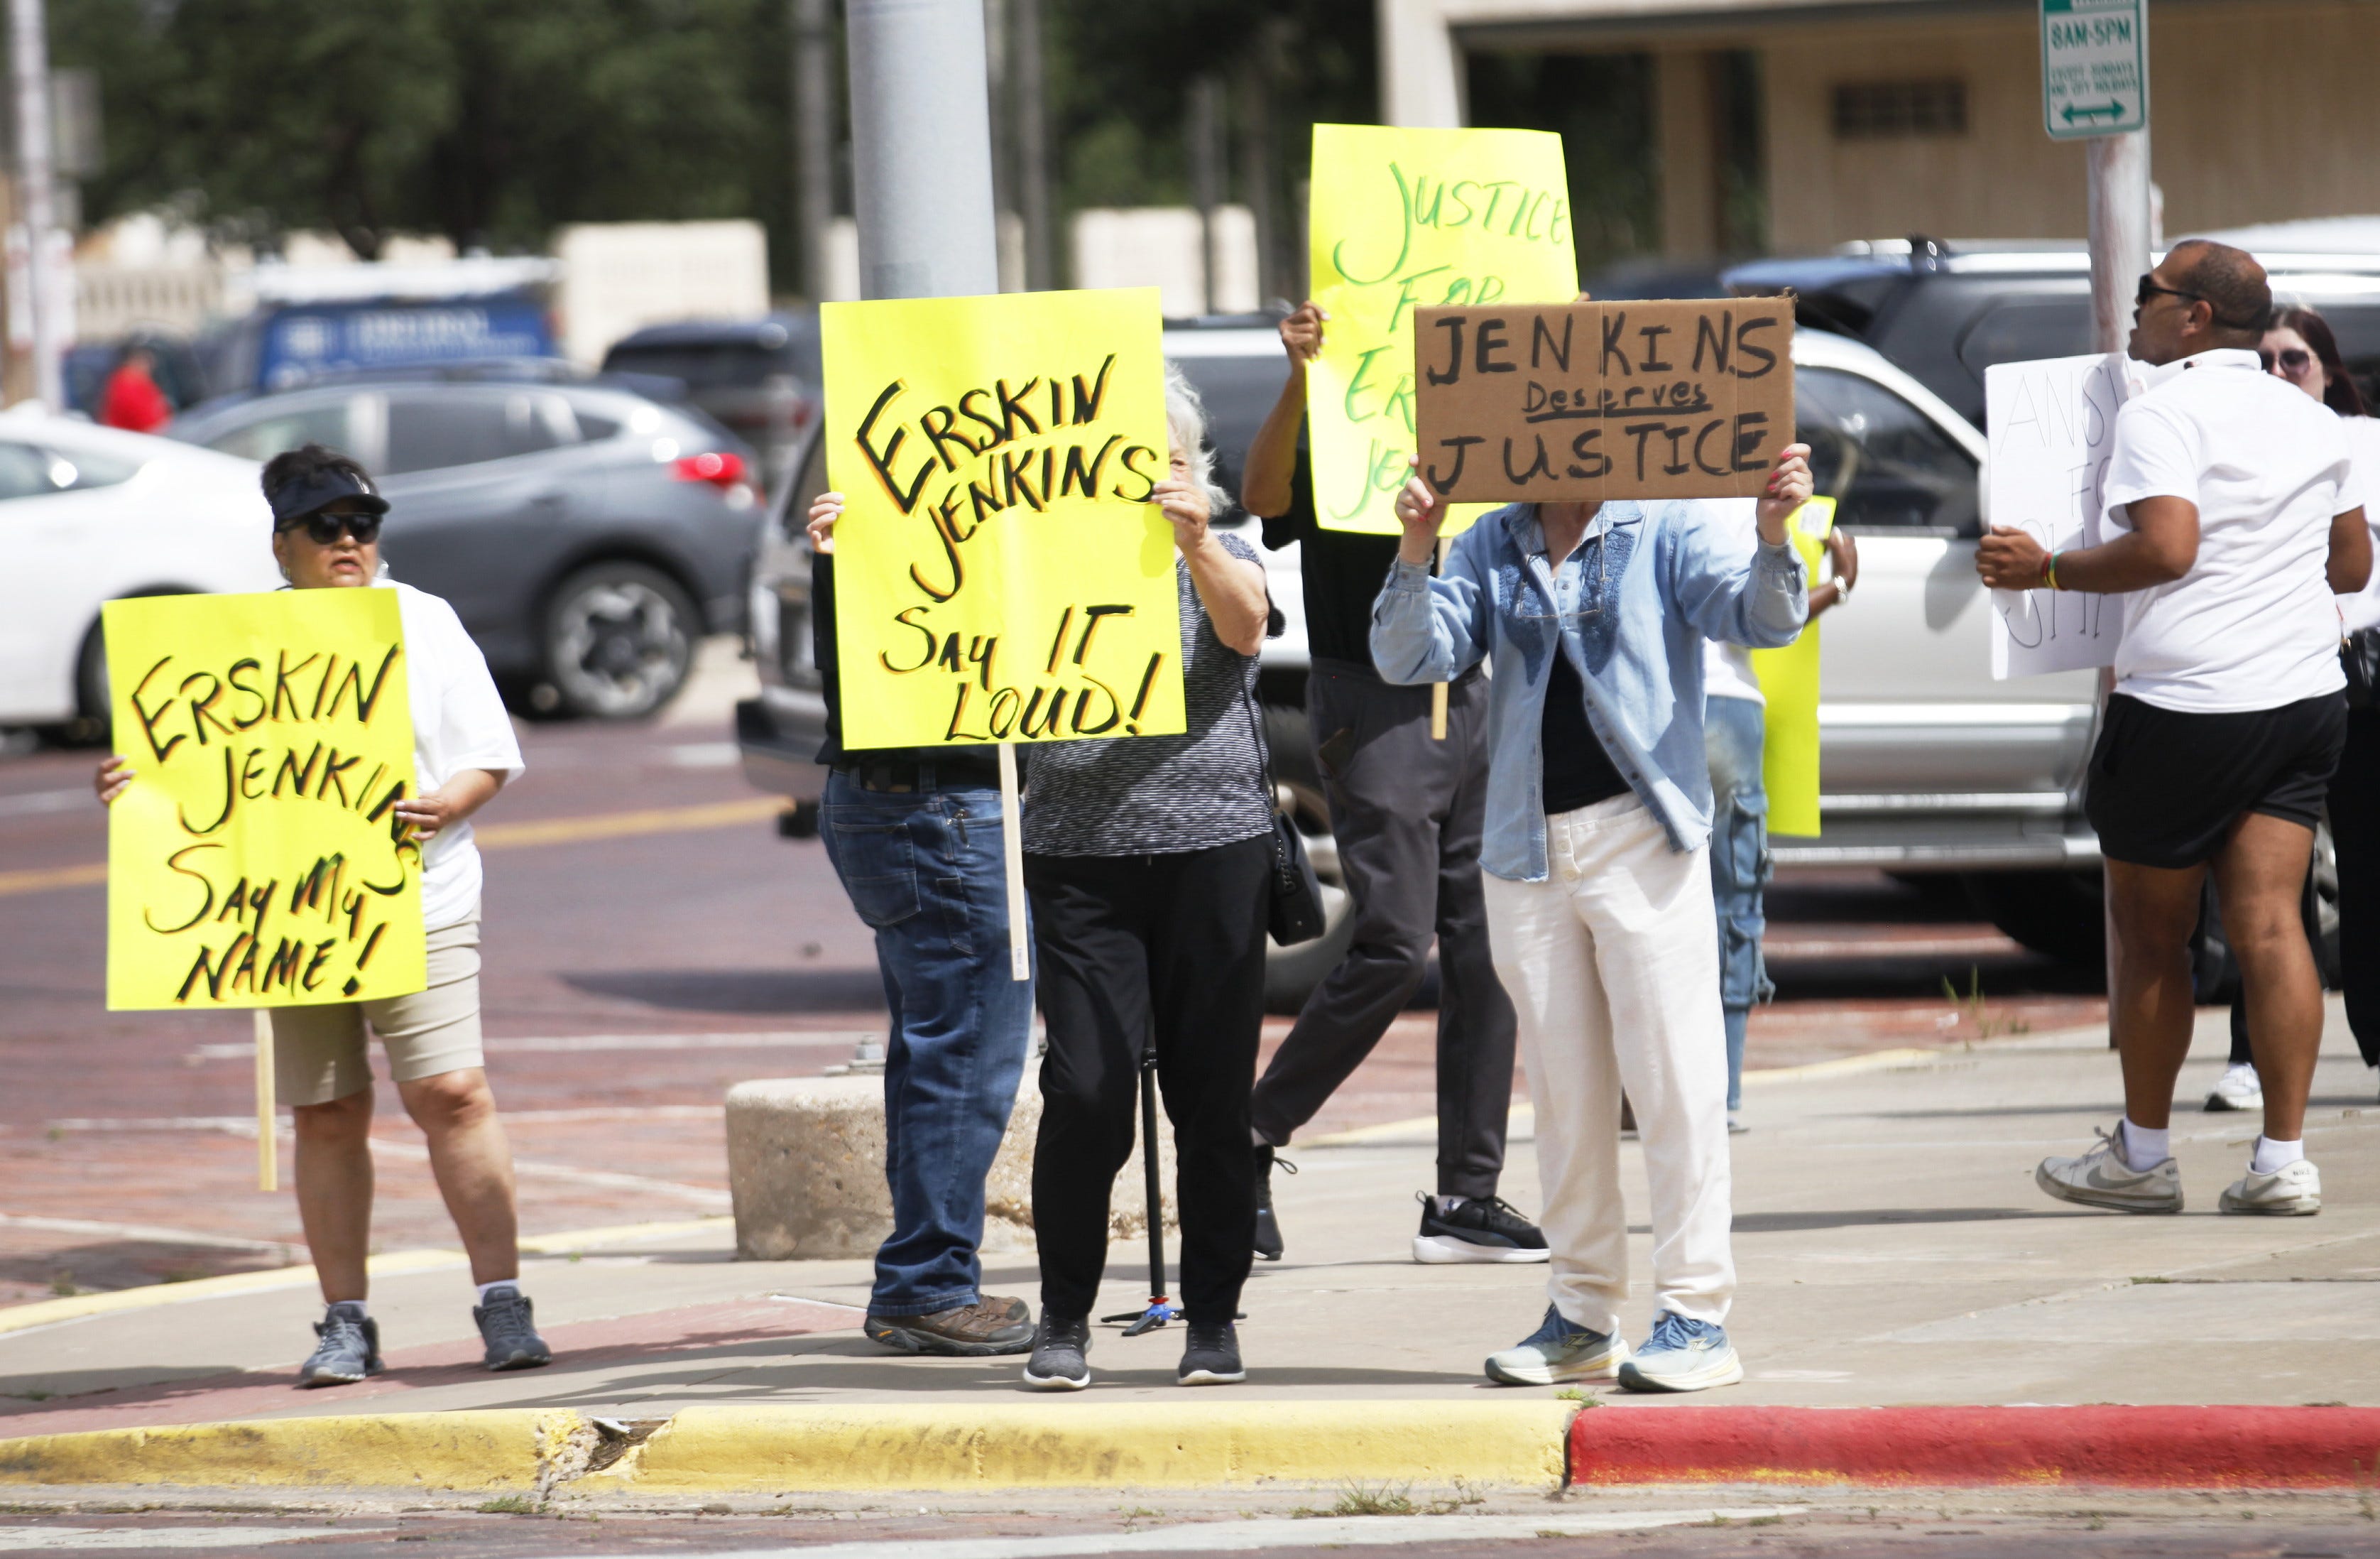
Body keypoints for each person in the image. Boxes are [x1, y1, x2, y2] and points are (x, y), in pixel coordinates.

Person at [94, 443, 550, 1386]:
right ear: (282, 544)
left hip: (421, 894)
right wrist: (132, 789)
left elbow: (489, 752)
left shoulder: (422, 620)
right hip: (296, 911)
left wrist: (453, 801)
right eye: (327, 527)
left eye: (365, 526)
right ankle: (347, 1318)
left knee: (452, 1093)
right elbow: (193, 772)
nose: (350, 543)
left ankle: (503, 1299)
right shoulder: (234, 640)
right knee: (330, 1110)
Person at [1373, 433, 1814, 1394]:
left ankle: (1697, 1313)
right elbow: (1411, 654)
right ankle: (1581, 1314)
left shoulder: (1664, 521)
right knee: (1567, 1095)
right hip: (1526, 847)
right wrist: (1417, 543)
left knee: (1673, 1080)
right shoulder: (1491, 540)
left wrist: (1775, 531)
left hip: (1640, 829)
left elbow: (1761, 619)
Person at [1976, 241, 2371, 1216]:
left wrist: (2049, 570)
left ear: (2194, 315)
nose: (2135, 311)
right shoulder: (2310, 412)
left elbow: (2168, 546)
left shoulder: (2164, 411)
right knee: (2275, 925)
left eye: (2150, 294)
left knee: (2152, 936)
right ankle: (2282, 1160)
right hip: (2301, 698)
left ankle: (2142, 1156)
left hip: (2188, 703)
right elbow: (2354, 563)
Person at [1238, 300, 1544, 1266]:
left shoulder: (1492, 420)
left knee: (1487, 943)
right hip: (1373, 698)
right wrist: (1299, 377)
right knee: (1395, 942)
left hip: (1476, 690)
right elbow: (1260, 493)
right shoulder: (1342, 418)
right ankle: (1248, 1134)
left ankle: (1467, 1194)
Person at [1014, 366, 1277, 1391]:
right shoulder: (1030, 561)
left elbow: (1247, 627)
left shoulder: (1220, 548)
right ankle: (1064, 1313)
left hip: (1214, 850)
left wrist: (1196, 536)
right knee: (1086, 1089)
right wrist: (849, 555)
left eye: (1157, 457)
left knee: (1213, 1095)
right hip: (1079, 860)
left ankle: (1212, 1316)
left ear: (1187, 465)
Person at [800, 495, 1037, 1359]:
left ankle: (923, 1275)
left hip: (904, 802)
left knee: (939, 1043)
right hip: (937, 807)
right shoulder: (920, 532)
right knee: (965, 1047)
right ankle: (927, 1282)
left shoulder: (913, 532)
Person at [2200, 305, 2380, 1114]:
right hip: (2270, 675)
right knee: (2267, 882)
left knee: (2367, 868)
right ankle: (2251, 1055)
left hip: (2360, 677)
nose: (2278, 374)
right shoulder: (2231, 449)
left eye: (2295, 359)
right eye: (2264, 361)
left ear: (2330, 371)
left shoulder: (2362, 444)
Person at [1704, 525, 1857, 1132]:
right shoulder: (1748, 496)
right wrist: (1840, 585)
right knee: (1732, 907)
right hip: (1727, 703)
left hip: (1640, 710)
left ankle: (1633, 1089)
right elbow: (1776, 616)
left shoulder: (1635, 479)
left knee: (1635, 901)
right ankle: (1723, 1091)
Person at [98, 344, 173, 433]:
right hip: (135, 438)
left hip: (157, 431)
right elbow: (147, 424)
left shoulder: (142, 380)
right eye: (145, 360)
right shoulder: (126, 384)